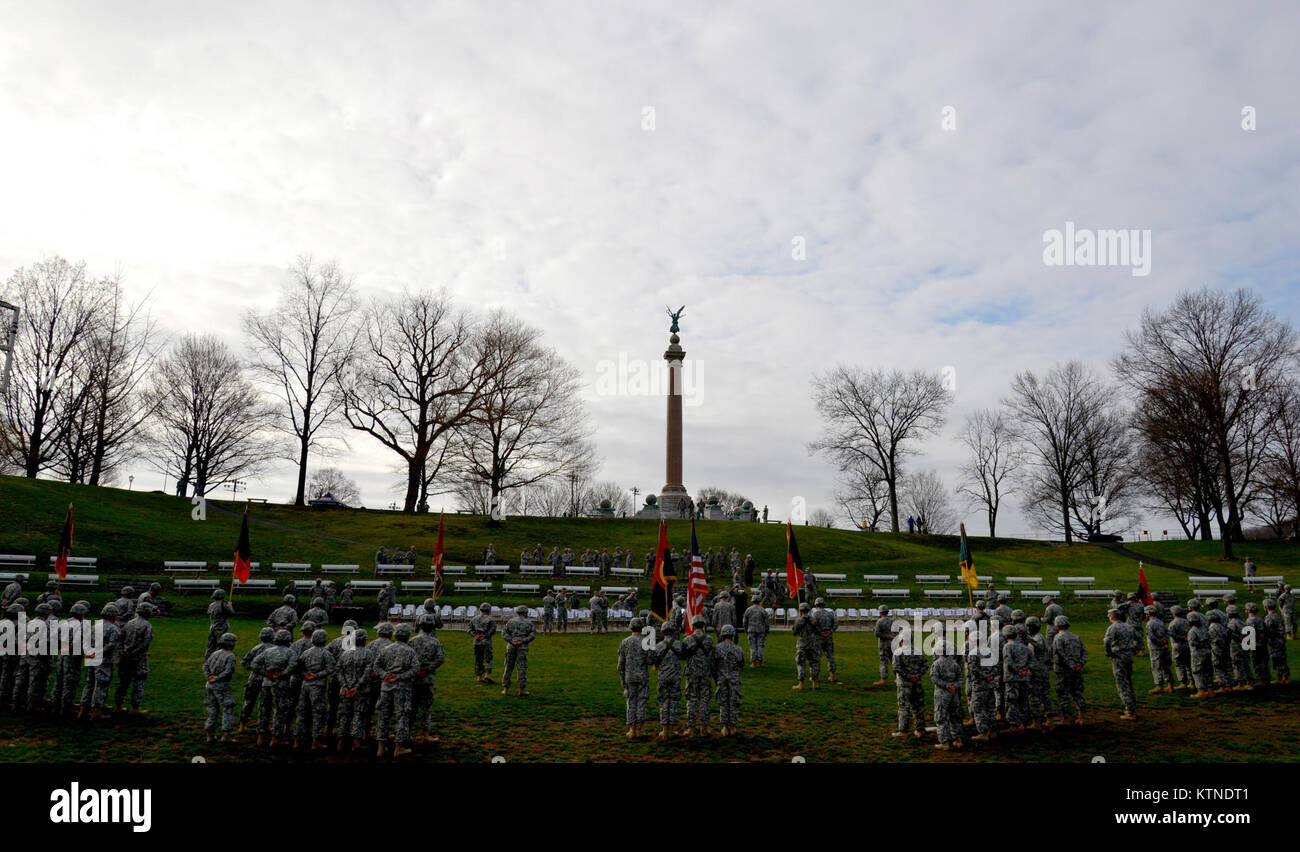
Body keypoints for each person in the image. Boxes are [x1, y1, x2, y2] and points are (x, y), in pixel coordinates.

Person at [374, 623, 419, 758]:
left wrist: (385, 675)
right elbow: (415, 669)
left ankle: (381, 748)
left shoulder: (386, 649)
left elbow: (376, 666)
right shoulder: (410, 651)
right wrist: (399, 677)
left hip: (386, 687)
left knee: (383, 715)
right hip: (402, 688)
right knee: (402, 716)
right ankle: (398, 747)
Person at [292, 629, 335, 751]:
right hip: (318, 686)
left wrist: (305, 674)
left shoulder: (306, 653)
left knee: (302, 711)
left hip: (305, 685)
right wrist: (317, 675)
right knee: (319, 713)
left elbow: (298, 666)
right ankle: (315, 741)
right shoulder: (326, 653)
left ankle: (296, 740)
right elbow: (331, 669)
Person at [252, 629, 295, 748]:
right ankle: (276, 738)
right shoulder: (290, 652)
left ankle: (261, 737)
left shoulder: (267, 651)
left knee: (264, 710)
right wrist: (281, 675)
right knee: (279, 711)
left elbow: (254, 664)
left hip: (266, 683)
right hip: (281, 685)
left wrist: (266, 674)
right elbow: (292, 666)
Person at [410, 613, 445, 743]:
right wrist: (427, 669)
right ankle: (425, 735)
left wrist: (416, 670)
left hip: (413, 679)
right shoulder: (435, 642)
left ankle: (407, 733)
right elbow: (440, 659)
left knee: (411, 708)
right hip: (427, 680)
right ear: (432, 627)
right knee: (426, 708)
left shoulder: (412, 641)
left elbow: (406, 658)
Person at [115, 602, 155, 714]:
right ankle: (135, 708)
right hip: (139, 658)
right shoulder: (147, 625)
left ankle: (118, 705)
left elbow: (121, 639)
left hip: (125, 657)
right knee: (139, 682)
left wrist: (123, 653)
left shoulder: (128, 623)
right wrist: (134, 652)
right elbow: (146, 642)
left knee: (123, 682)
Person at [336, 628, 371, 754]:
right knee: (359, 716)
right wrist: (357, 687)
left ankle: (340, 743)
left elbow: (339, 671)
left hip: (345, 691)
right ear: (365, 640)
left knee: (344, 716)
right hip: (361, 692)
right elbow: (367, 673)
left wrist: (345, 686)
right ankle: (356, 743)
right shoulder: (368, 654)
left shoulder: (345, 653)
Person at [1103, 608, 1140, 720]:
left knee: (1122, 683)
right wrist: (1134, 650)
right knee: (1128, 681)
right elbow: (1138, 638)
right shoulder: (1129, 626)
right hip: (1129, 656)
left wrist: (1109, 652)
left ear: (1112, 617)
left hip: (1119, 656)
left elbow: (1107, 641)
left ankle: (1130, 710)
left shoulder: (1113, 628)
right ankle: (1132, 705)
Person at [649, 623, 684, 740]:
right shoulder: (679, 645)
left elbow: (654, 661)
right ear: (673, 632)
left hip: (663, 676)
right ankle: (672, 730)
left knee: (664, 702)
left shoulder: (658, 646)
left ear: (663, 632)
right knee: (673, 701)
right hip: (675, 676)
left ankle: (664, 730)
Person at [681, 616, 715, 737]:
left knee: (692, 699)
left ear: (693, 625)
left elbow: (683, 654)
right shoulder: (709, 639)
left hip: (692, 672)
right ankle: (704, 728)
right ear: (703, 625)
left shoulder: (687, 640)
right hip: (705, 672)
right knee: (705, 699)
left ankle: (691, 728)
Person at [618, 617, 651, 738]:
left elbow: (620, 664)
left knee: (631, 701)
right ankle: (639, 729)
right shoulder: (646, 641)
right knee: (641, 701)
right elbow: (650, 660)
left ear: (630, 627)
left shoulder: (625, 642)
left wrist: (622, 678)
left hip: (629, 676)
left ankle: (632, 729)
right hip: (642, 676)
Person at [238, 626, 276, 732]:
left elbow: (244, 662)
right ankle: (264, 726)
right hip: (268, 679)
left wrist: (254, 669)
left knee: (249, 702)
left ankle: (242, 725)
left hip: (254, 678)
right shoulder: (275, 649)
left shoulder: (256, 648)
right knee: (266, 704)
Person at [203, 632, 238, 744]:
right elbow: (228, 671)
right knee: (228, 708)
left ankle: (210, 735)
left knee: (212, 709)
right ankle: (226, 735)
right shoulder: (230, 655)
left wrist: (209, 677)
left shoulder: (214, 653)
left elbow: (205, 666)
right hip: (222, 686)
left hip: (210, 685)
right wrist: (217, 678)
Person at [1052, 615, 1087, 725]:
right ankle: (1082, 716)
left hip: (1063, 670)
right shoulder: (1076, 637)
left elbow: (1059, 653)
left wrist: (1070, 664)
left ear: (1057, 625)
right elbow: (1084, 652)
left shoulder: (1058, 637)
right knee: (1077, 692)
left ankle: (1066, 718)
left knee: (1063, 693)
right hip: (1077, 669)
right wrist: (1080, 663)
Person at [891, 633, 927, 739]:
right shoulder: (917, 651)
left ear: (901, 640)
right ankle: (920, 729)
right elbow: (925, 664)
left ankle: (903, 730)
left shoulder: (898, 652)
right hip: (917, 683)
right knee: (918, 706)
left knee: (903, 707)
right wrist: (917, 675)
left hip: (904, 684)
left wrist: (908, 676)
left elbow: (896, 667)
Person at [712, 624, 744, 737]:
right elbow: (741, 664)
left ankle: (725, 727)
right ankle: (733, 727)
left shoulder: (717, 648)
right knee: (734, 702)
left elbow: (713, 666)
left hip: (721, 679)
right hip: (734, 679)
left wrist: (716, 678)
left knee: (723, 702)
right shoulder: (738, 649)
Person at [930, 640, 963, 750]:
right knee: (955, 716)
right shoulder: (955, 663)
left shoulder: (936, 664)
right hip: (954, 693)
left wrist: (946, 685)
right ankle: (958, 739)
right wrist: (954, 686)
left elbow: (934, 678)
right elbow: (961, 678)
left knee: (941, 717)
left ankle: (945, 742)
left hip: (942, 694)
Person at [1002, 624, 1033, 731]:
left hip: (1012, 678)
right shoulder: (1024, 646)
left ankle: (1013, 724)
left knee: (1012, 701)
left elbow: (1008, 661)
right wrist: (1025, 670)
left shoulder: (1007, 646)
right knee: (1024, 700)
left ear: (1005, 635)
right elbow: (1031, 660)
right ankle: (1025, 723)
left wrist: (1017, 670)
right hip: (1024, 677)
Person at [1024, 616, 1053, 730]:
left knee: (1035, 696)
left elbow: (1039, 647)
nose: (1028, 628)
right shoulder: (1037, 637)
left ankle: (1037, 722)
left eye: (1030, 626)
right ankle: (1049, 719)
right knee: (1045, 695)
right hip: (1042, 670)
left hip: (1037, 671)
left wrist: (1027, 638)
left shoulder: (1037, 638)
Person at [501, 605, 536, 696]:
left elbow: (504, 633)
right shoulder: (529, 623)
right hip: (522, 648)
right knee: (522, 667)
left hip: (511, 646)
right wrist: (522, 640)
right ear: (525, 613)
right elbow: (532, 635)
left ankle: (505, 689)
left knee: (508, 667)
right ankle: (521, 690)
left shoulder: (510, 621)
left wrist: (511, 640)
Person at [1144, 605, 1173, 694]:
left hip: (1155, 648)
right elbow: (1168, 632)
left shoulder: (1150, 623)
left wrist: (1160, 642)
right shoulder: (1160, 621)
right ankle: (1170, 686)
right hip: (1164, 647)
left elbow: (1151, 637)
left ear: (1148, 614)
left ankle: (1159, 686)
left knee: (1156, 667)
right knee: (1166, 667)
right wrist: (1165, 640)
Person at [791, 602, 820, 691]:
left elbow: (794, 632)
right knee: (814, 663)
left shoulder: (799, 620)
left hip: (802, 644)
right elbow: (818, 631)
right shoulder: (814, 620)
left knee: (800, 663)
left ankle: (801, 684)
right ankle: (815, 683)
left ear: (800, 611)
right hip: (813, 643)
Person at [810, 597, 839, 683]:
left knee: (816, 658)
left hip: (818, 638)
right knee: (830, 656)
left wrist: (820, 632)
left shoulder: (815, 615)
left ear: (816, 605)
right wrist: (830, 631)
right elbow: (836, 623)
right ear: (824, 605)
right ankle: (832, 675)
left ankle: (815, 677)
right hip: (828, 637)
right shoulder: (830, 613)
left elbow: (812, 626)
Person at [468, 602, 496, 683]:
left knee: (478, 659)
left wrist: (475, 635)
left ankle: (479, 676)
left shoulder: (474, 619)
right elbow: (493, 630)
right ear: (489, 610)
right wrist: (485, 635)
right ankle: (488, 674)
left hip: (477, 641)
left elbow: (469, 629)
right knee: (488, 658)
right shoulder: (491, 619)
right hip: (486, 641)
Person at [1264, 599, 1290, 683]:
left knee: (1277, 660)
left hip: (1275, 642)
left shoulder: (1269, 617)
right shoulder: (1277, 615)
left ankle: (1280, 678)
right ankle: (1285, 677)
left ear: (1266, 607)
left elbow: (1268, 630)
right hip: (1281, 641)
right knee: (1282, 660)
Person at [1167, 605, 1192, 689]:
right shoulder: (1187, 621)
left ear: (1173, 613)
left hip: (1178, 645)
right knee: (1189, 664)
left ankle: (1183, 683)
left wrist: (1181, 638)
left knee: (1179, 664)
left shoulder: (1173, 623)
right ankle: (1192, 681)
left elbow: (1172, 634)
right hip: (1188, 644)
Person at [1245, 602, 1269, 685]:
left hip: (1255, 644)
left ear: (1248, 610)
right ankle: (1266, 679)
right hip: (1262, 644)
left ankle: (1261, 680)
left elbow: (1250, 634)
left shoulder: (1249, 620)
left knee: (1257, 663)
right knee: (1264, 662)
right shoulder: (1260, 619)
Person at [205, 589, 234, 659]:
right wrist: (230, 606)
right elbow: (232, 613)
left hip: (212, 627)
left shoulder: (211, 605)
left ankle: (207, 660)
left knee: (211, 646)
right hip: (221, 628)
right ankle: (220, 659)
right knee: (222, 645)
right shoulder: (223, 605)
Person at [742, 597, 769, 667]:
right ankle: (760, 663)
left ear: (752, 601)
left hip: (751, 630)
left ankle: (753, 663)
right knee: (760, 646)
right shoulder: (763, 610)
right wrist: (766, 631)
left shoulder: (748, 610)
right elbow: (767, 622)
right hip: (761, 630)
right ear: (759, 601)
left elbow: (744, 621)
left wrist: (746, 630)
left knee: (752, 646)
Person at [873, 605, 896, 685]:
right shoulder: (892, 621)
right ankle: (897, 678)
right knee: (894, 661)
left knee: (883, 662)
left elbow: (877, 633)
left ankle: (883, 680)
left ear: (880, 612)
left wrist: (886, 636)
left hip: (883, 644)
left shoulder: (879, 621)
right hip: (893, 644)